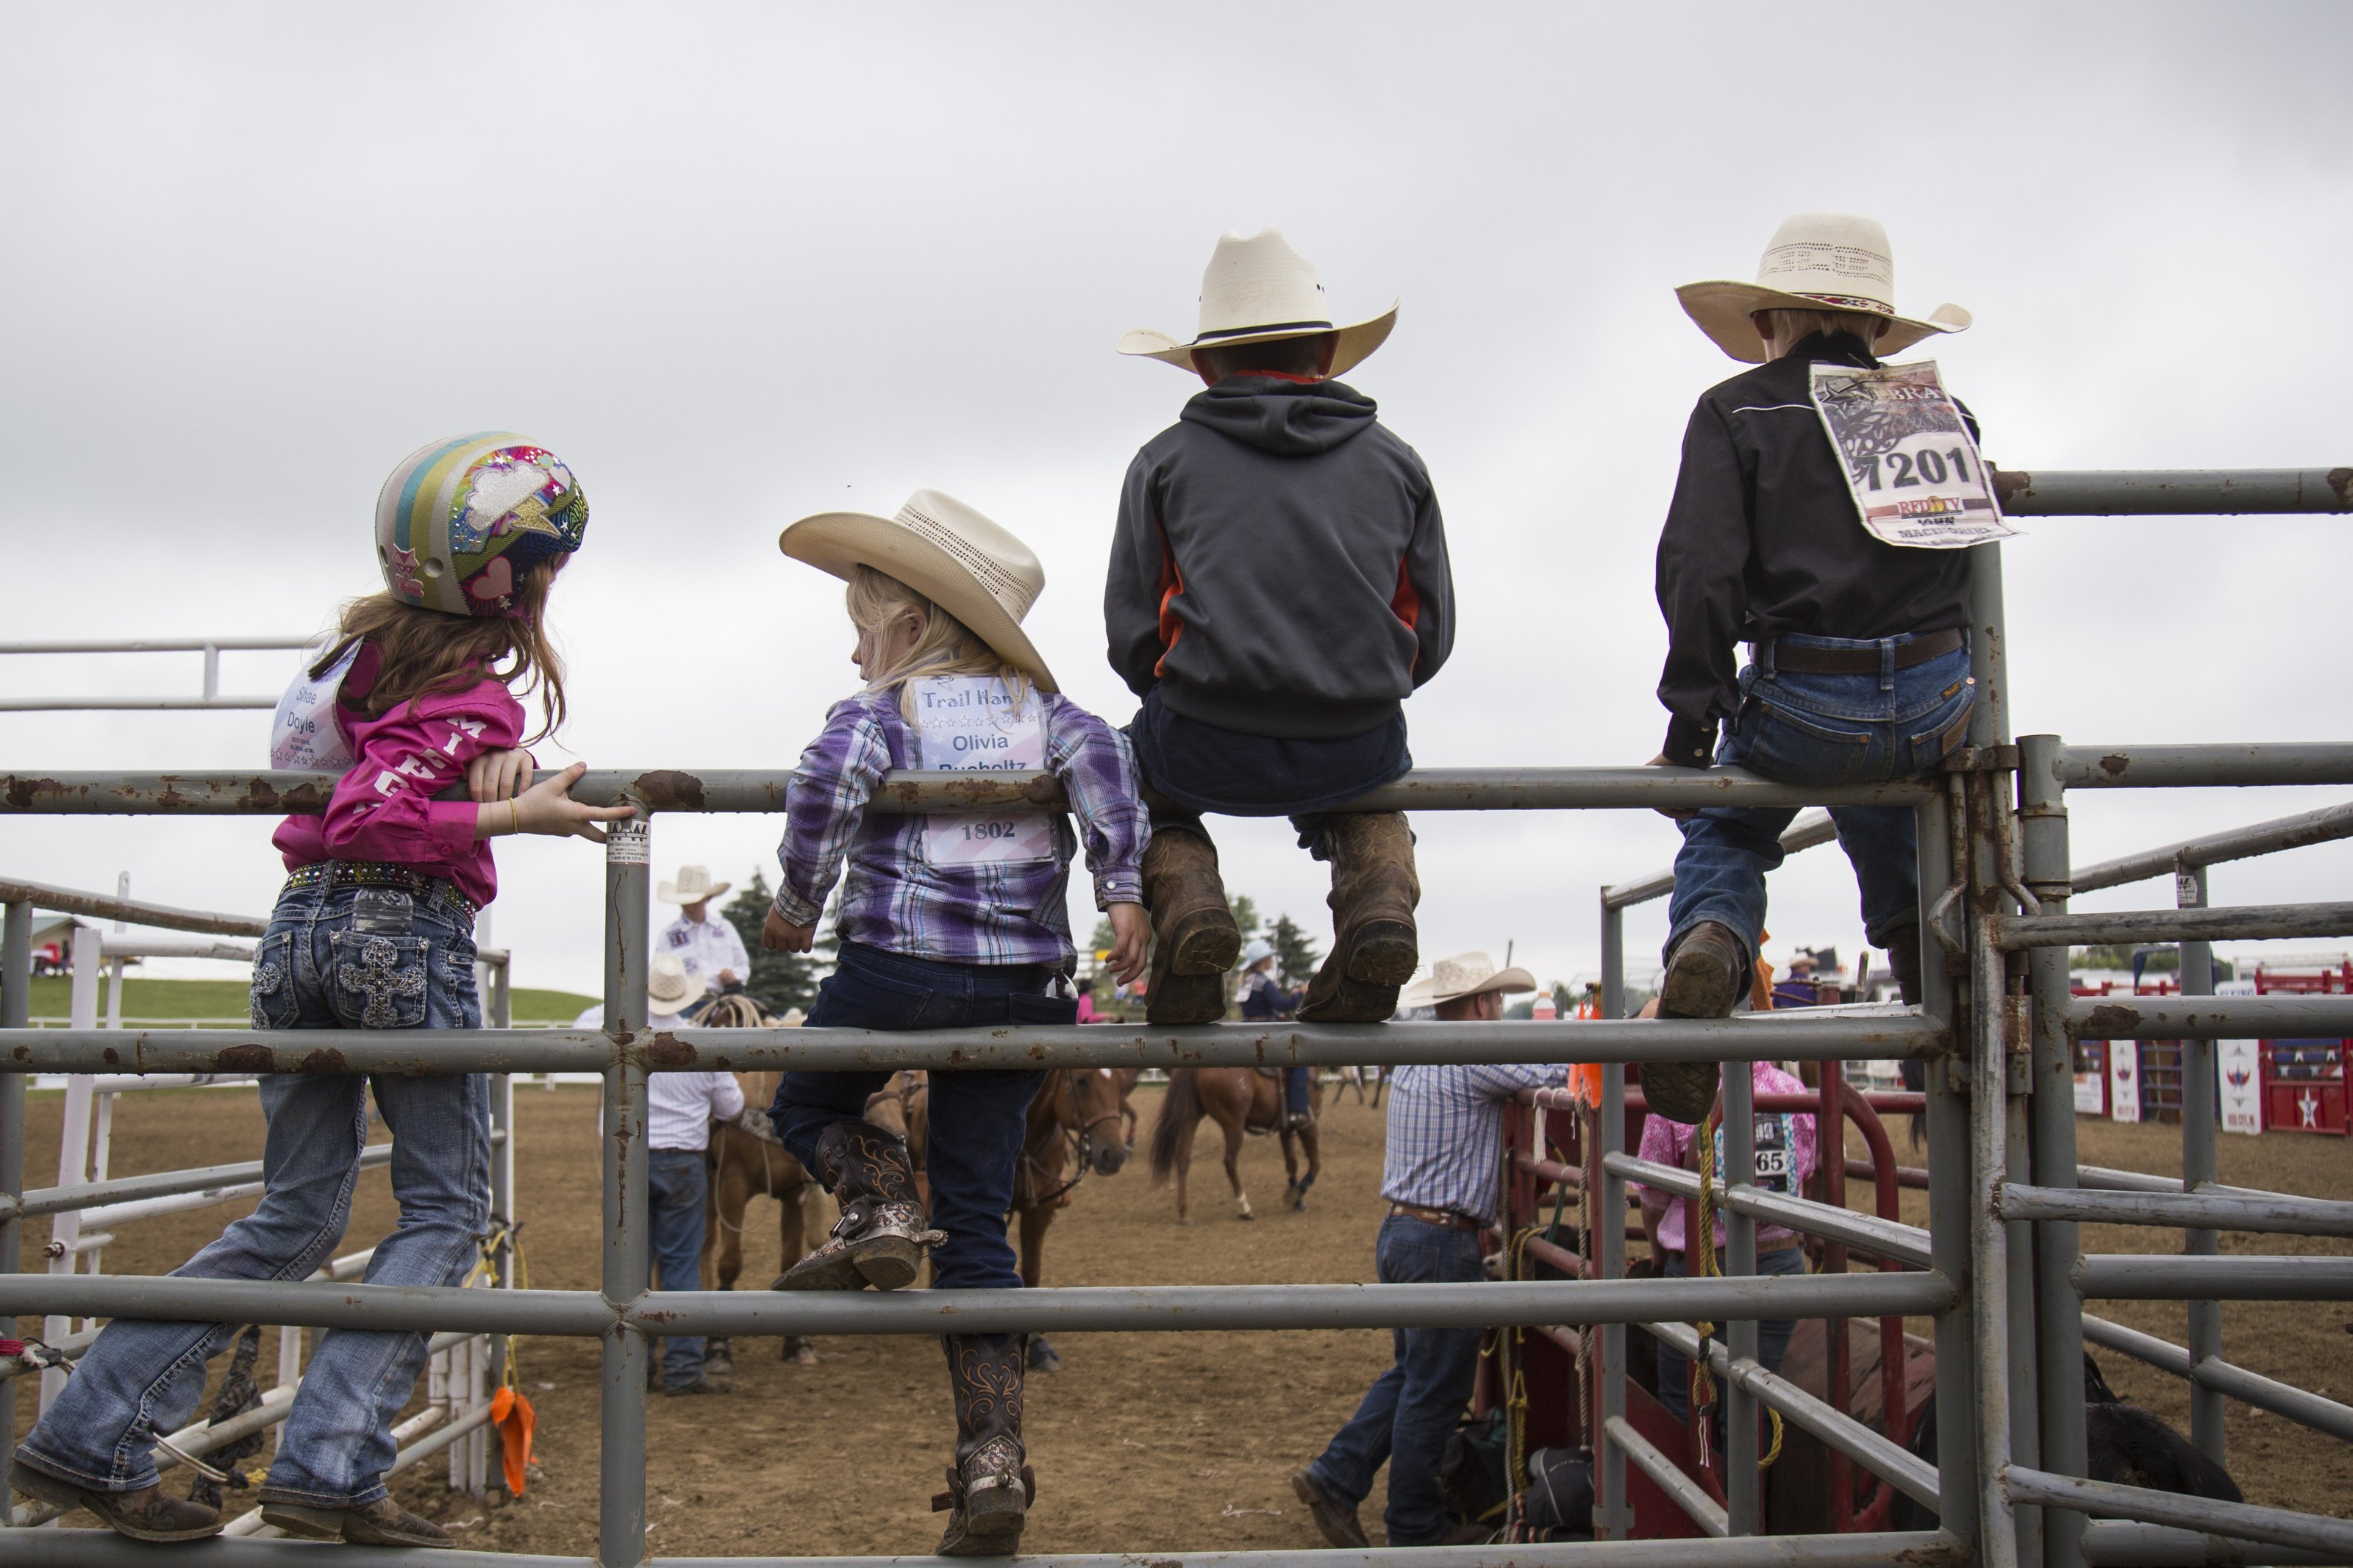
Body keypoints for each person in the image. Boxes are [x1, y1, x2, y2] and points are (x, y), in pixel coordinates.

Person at [10, 434, 630, 1546]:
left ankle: (89, 1429)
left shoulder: (347, 664)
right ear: (516, 577)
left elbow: (355, 783)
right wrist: (507, 808)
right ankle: (331, 1460)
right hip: (399, 933)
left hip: (300, 928)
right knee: (444, 1210)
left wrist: (477, 764)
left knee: (297, 1209)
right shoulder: (471, 696)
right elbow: (375, 815)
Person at [758, 490, 1150, 1556]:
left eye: (861, 630)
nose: (853, 656)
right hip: (1025, 987)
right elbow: (1109, 775)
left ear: (914, 627)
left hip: (892, 972)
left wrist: (796, 905)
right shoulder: (1053, 715)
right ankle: (994, 1460)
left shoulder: (883, 715)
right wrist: (1124, 891)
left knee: (801, 1104)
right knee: (980, 1219)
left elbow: (828, 782)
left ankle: (879, 1199)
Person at [1639, 213, 1979, 1124]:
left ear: (1766, 323)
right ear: (1876, 329)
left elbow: (1700, 575)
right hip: (1935, 697)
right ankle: (1948, 1005)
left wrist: (1690, 734)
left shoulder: (1733, 410)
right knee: (1893, 809)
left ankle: (1711, 937)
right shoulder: (1944, 416)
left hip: (1801, 694)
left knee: (1727, 824)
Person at [1107, 227, 1454, 1026]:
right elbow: (1429, 631)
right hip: (1355, 739)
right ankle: (1377, 907)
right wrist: (1349, 688)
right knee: (1368, 800)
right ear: (1327, 355)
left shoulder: (1161, 463)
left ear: (1200, 364)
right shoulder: (1398, 462)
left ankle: (1191, 908)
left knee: (1126, 780)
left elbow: (1131, 635)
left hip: (1202, 736)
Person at [1292, 951, 1553, 1550]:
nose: (1500, 1015)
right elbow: (1554, 1073)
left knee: (1414, 1372)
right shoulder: (1469, 1056)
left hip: (1402, 1231)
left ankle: (1337, 1474)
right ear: (1481, 1005)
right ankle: (1413, 1525)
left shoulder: (1413, 1052)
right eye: (1498, 1004)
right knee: (1435, 1389)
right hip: (1440, 1237)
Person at [1633, 1056, 1819, 1423]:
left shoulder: (1677, 1096)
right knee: (1753, 1406)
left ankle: (1693, 1480)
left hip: (1698, 1270)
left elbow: (1653, 1197)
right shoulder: (1791, 1091)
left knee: (1684, 1405)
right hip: (1778, 1266)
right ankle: (1747, 1480)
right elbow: (1807, 1172)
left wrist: (1658, 1256)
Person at [642, 953, 744, 1395]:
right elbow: (733, 1109)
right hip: (684, 1159)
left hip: (630, 1157)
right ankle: (683, 1369)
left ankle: (635, 1365)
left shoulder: (623, 1033)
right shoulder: (701, 1043)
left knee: (630, 1266)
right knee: (681, 1264)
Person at [1237, 939, 1310, 1128]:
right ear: (1263, 960)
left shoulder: (1247, 981)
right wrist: (1301, 993)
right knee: (1300, 1063)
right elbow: (1282, 1004)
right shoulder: (1264, 982)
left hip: (1247, 1031)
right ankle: (1297, 1111)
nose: (1273, 960)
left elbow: (1255, 1008)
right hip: (1266, 1034)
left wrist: (1276, 1014)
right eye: (1270, 957)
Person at [657, 863, 751, 998]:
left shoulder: (725, 928)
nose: (690, 907)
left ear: (707, 899)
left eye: (695, 902)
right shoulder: (668, 936)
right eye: (686, 903)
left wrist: (732, 975)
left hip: (724, 999)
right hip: (683, 1002)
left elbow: (743, 966)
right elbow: (658, 973)